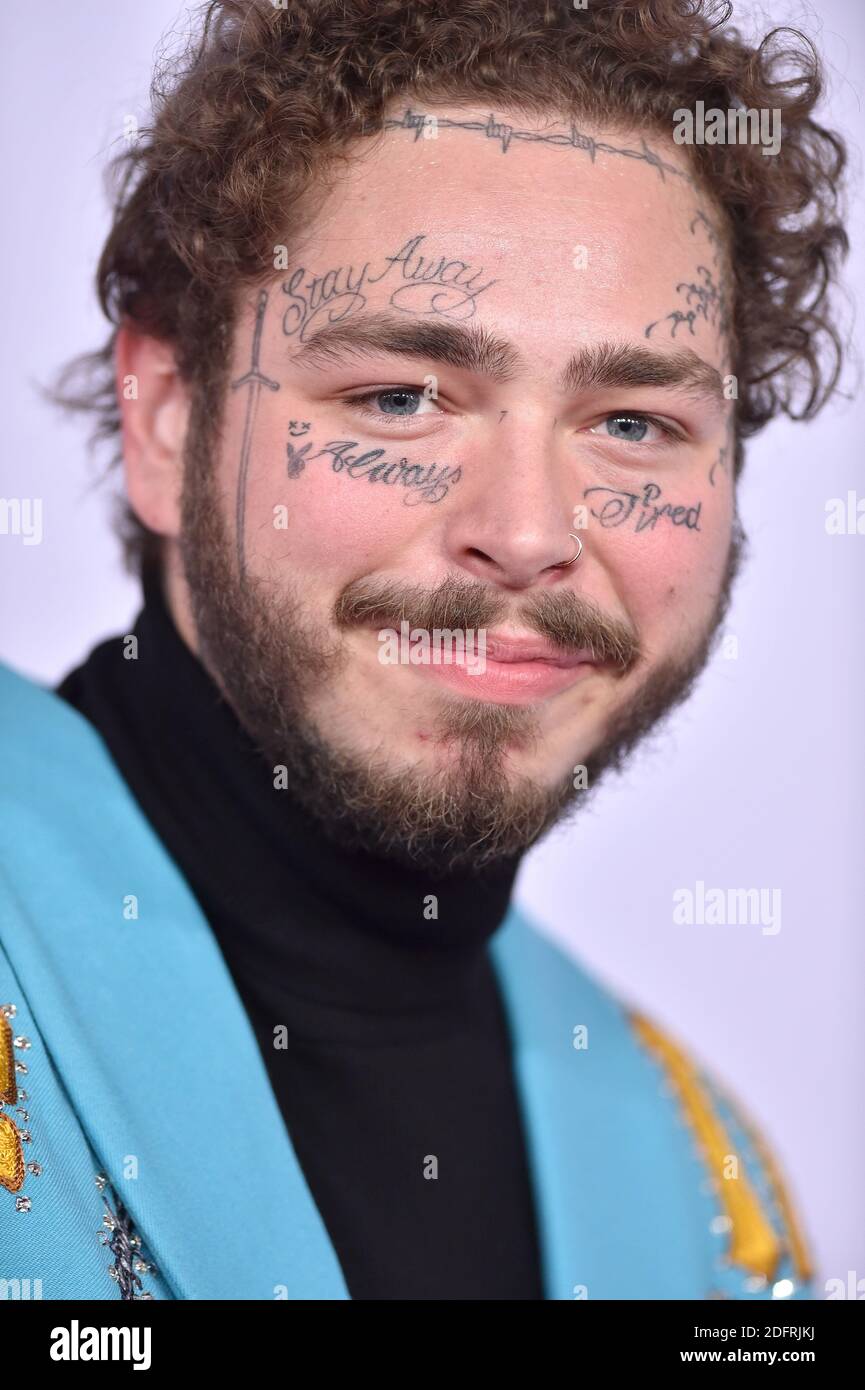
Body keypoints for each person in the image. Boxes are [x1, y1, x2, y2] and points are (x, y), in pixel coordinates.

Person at [0, 0, 846, 1300]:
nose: (524, 533)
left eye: (631, 421)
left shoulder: (707, 1192)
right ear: (169, 422)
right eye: (399, 398)